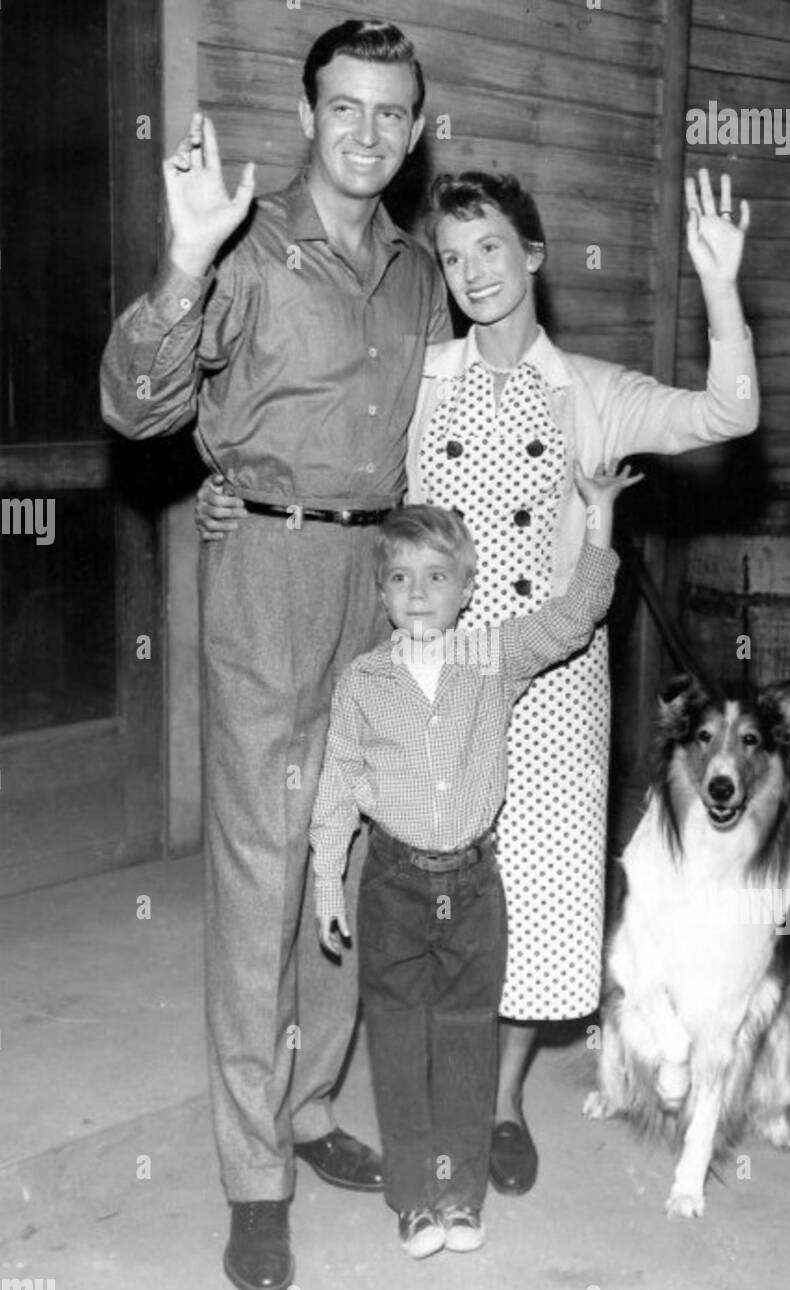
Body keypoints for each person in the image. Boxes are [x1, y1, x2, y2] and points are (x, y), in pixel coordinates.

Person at [198, 164, 759, 1197]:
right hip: (430, 679)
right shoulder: (422, 373)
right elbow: (327, 445)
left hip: (546, 681)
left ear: (534, 253)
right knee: (423, 893)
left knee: (535, 907)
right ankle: (416, 1098)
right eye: (450, 258)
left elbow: (726, 411)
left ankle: (499, 1099)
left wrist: (719, 284)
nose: (470, 274)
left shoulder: (589, 389)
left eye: (490, 247)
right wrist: (229, 486)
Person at [100, 19, 449, 1290]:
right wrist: (185, 262)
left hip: (382, 581)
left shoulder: (417, 276)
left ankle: (306, 1106)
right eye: (343, 108)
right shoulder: (244, 249)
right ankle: (256, 1178)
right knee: (259, 874)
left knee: (351, 852)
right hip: (268, 577)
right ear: (308, 116)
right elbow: (137, 407)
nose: (365, 133)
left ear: (415, 130)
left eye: (389, 114)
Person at [309, 455, 639, 1257]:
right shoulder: (361, 682)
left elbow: (576, 615)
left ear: (467, 589)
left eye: (435, 576)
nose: (416, 592)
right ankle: (414, 1199)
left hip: (474, 884)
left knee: (463, 1038)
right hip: (390, 884)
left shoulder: (494, 657)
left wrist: (599, 514)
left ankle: (459, 1197)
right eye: (398, 577)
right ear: (381, 591)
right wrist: (327, 881)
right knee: (397, 1040)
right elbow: (338, 782)